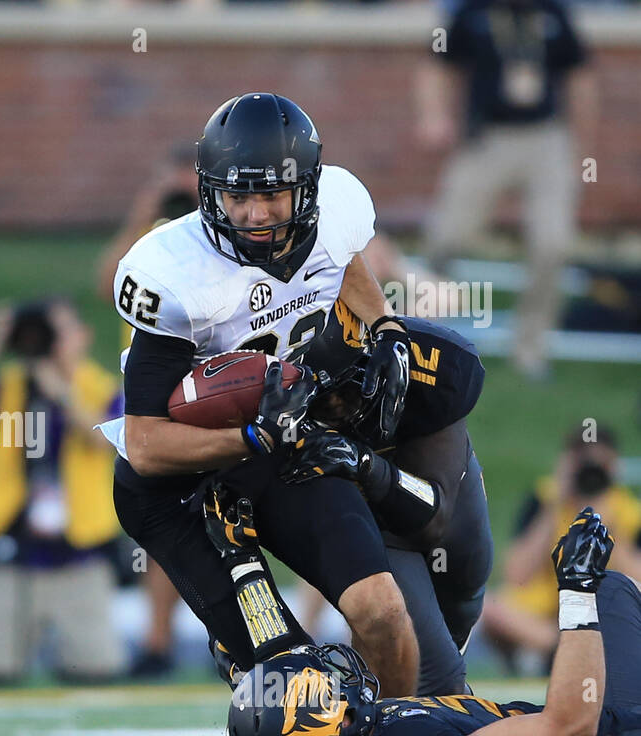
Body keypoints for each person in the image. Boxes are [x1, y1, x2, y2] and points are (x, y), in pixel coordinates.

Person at [101, 92, 423, 695]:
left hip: (280, 444)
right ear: (208, 193)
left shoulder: (336, 210)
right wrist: (251, 434)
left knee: (381, 612)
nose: (254, 214)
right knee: (294, 683)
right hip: (179, 484)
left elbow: (342, 257)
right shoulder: (175, 274)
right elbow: (143, 444)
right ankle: (258, 669)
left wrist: (386, 325)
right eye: (237, 195)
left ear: (305, 190)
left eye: (270, 194)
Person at [227, 506, 641, 736]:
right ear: (345, 722)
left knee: (615, 590)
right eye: (333, 691)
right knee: (607, 587)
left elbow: (275, 688)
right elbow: (570, 726)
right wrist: (575, 589)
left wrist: (241, 561)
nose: (339, 682)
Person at [277, 308, 494, 694]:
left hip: (436, 502)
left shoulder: (434, 365)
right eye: (324, 400)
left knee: (463, 593)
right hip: (367, 519)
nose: (340, 409)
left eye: (348, 392)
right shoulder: (268, 380)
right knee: (434, 686)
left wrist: (365, 465)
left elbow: (434, 519)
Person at [0, 299, 125, 684]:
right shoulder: (9, 388)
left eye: (61, 332)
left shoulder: (102, 387)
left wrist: (62, 392)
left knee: (98, 673)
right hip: (13, 555)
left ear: (83, 336)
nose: (52, 344)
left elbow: (108, 440)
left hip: (81, 556)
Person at [417, 0, 598, 379]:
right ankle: (417, 338)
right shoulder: (471, 12)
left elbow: (581, 76)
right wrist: (433, 115)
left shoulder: (555, 12)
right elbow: (436, 63)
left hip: (546, 138)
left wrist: (583, 150)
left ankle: (530, 351)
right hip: (487, 138)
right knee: (443, 237)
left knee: (553, 242)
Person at [95, 145, 200, 679]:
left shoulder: (216, 237)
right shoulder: (150, 241)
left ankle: (232, 641)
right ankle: (158, 640)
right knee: (159, 525)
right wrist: (146, 211)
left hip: (208, 394)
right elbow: (104, 282)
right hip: (149, 397)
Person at [482, 427, 641, 672]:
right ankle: (566, 649)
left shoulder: (628, 510)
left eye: (599, 468)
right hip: (547, 614)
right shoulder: (547, 498)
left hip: (605, 615)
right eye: (585, 467)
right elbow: (515, 575)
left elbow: (636, 583)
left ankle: (552, 654)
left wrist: (612, 528)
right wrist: (555, 504)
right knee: (490, 608)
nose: (591, 476)